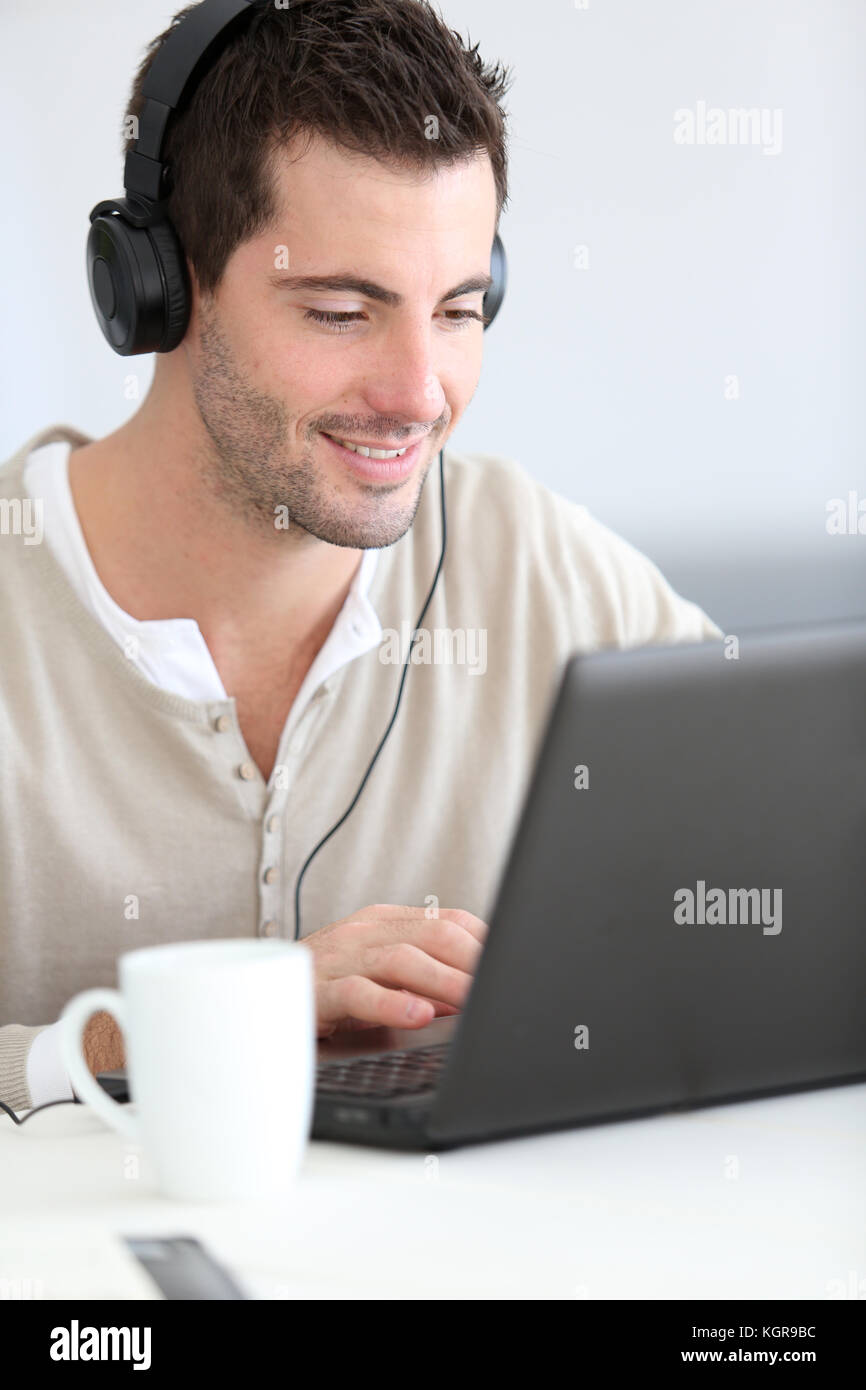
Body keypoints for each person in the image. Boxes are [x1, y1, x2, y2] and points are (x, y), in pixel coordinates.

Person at [0, 0, 721, 1116]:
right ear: (156, 286)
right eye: (342, 311)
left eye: (457, 311)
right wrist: (193, 1026)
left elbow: (798, 883)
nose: (418, 395)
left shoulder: (530, 565)